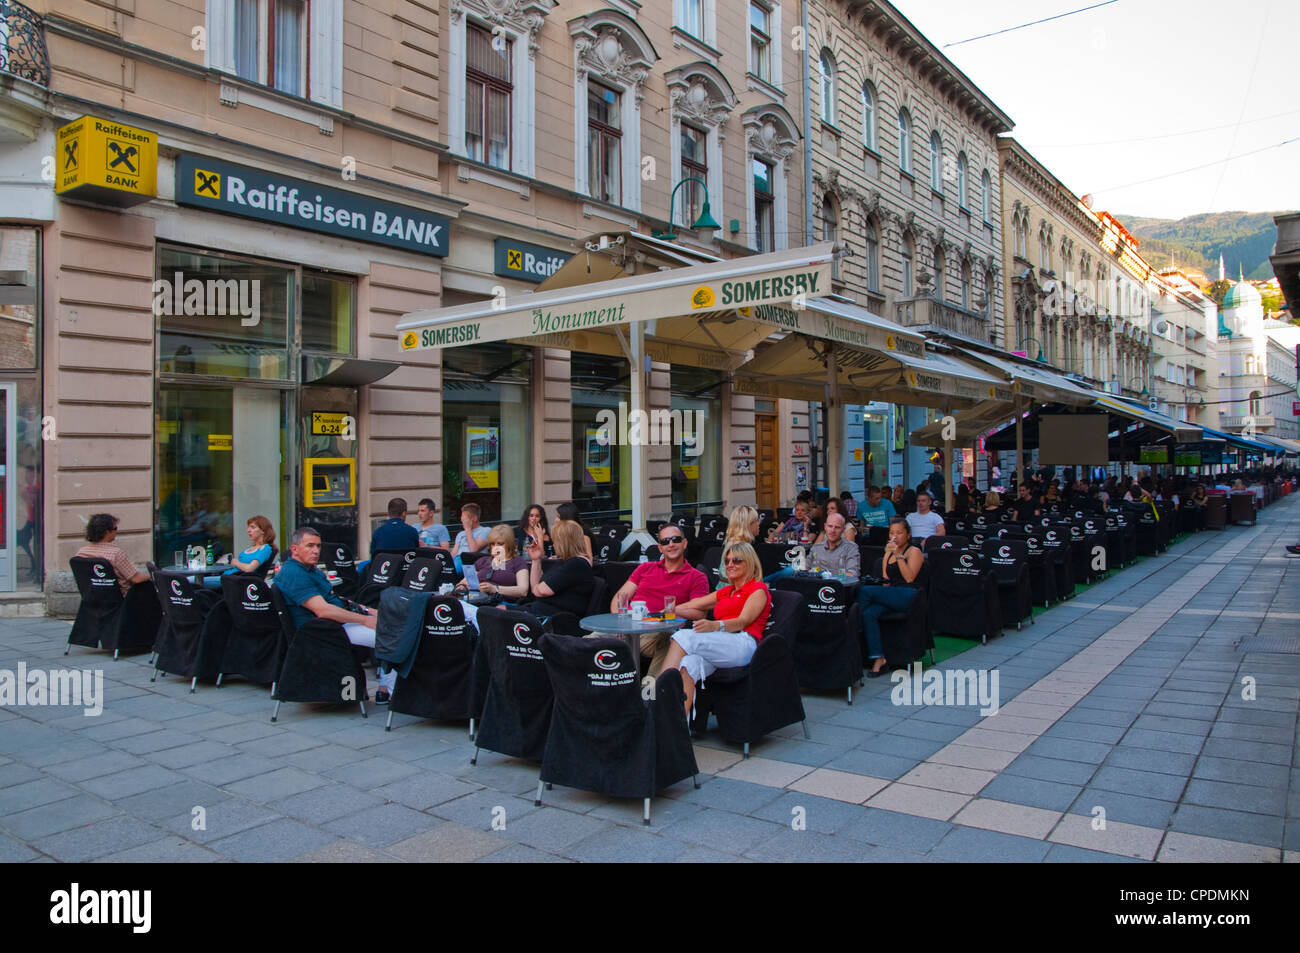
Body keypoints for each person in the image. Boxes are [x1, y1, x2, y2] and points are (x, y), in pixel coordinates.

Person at [273, 526, 392, 699]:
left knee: (394, 626)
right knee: (393, 636)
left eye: (318, 546)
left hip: (336, 623)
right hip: (323, 632)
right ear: (294, 549)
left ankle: (386, 687)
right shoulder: (294, 573)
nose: (316, 551)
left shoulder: (310, 569)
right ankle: (391, 691)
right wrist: (365, 620)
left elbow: (334, 598)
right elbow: (323, 610)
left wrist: (367, 610)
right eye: (310, 546)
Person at [664, 542, 772, 720]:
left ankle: (660, 693)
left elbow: (743, 621)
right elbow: (693, 604)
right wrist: (668, 609)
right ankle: (676, 727)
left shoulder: (757, 589)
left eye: (737, 560)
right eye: (727, 560)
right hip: (721, 643)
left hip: (743, 643)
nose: (730, 564)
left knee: (684, 636)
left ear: (750, 563)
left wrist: (716, 625)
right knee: (689, 664)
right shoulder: (726, 591)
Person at [609, 524, 710, 675]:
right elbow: (620, 598)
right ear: (660, 548)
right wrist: (620, 623)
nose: (671, 544)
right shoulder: (644, 568)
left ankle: (653, 690)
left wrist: (673, 610)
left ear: (684, 543)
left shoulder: (697, 577)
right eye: (665, 541)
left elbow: (700, 614)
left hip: (657, 632)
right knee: (588, 640)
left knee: (670, 639)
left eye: (675, 539)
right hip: (626, 628)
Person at [857, 518, 924, 677]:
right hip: (892, 594)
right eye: (892, 533)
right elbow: (886, 581)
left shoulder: (914, 551)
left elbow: (909, 578)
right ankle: (879, 657)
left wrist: (898, 555)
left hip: (910, 595)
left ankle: (853, 630)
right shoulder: (888, 553)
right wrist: (889, 554)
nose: (895, 536)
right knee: (869, 613)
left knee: (865, 591)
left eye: (899, 533)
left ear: (907, 535)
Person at [519, 519, 593, 618]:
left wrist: (538, 588)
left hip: (557, 618)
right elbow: (536, 589)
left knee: (501, 610)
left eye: (555, 541)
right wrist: (536, 560)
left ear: (564, 542)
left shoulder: (577, 564)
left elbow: (541, 591)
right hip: (542, 611)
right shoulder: (565, 562)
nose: (553, 545)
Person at [74, 513, 149, 595]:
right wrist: (153, 574)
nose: (116, 531)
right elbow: (136, 578)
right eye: (115, 528)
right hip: (120, 600)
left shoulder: (81, 552)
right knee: (147, 586)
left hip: (93, 599)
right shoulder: (115, 553)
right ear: (106, 532)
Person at [456, 523, 529, 600]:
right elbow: (463, 583)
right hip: (477, 599)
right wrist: (462, 586)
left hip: (502, 603)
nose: (496, 547)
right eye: (492, 544)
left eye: (500, 544)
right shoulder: (483, 561)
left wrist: (495, 589)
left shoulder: (517, 562)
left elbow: (523, 590)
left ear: (509, 544)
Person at [204, 516, 275, 588]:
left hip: (233, 581)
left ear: (263, 530)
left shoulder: (265, 548)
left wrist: (235, 562)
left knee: (193, 581)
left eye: (252, 527)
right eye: (248, 527)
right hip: (227, 577)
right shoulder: (252, 548)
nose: (248, 530)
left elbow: (249, 569)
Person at [451, 503, 491, 575]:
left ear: (474, 519)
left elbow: (473, 550)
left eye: (464, 518)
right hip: (457, 560)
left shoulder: (485, 531)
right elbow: (453, 553)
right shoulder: (460, 534)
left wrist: (468, 529)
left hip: (471, 561)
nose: (462, 521)